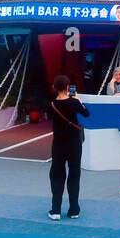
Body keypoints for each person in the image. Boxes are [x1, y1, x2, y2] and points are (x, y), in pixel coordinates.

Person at [47, 74, 89, 220]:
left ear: (54, 88)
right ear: (67, 87)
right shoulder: (74, 102)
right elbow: (86, 114)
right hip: (74, 143)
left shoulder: (51, 105)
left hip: (58, 144)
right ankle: (74, 210)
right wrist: (77, 100)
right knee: (74, 174)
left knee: (57, 175)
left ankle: (56, 210)